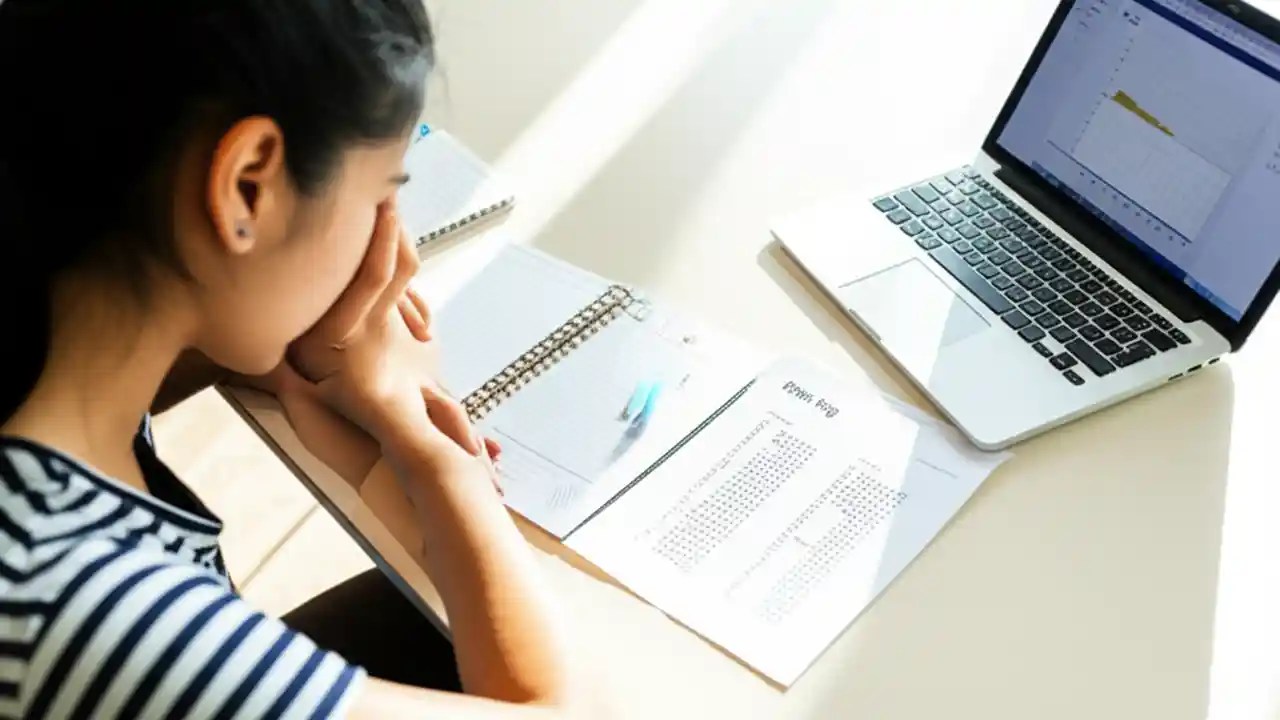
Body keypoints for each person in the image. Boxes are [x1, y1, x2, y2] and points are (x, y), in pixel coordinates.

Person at [0, 1, 586, 718]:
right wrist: (430, 451)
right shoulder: (85, 601)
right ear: (249, 186)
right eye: (381, 197)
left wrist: (277, 341)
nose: (389, 245)